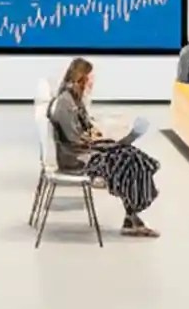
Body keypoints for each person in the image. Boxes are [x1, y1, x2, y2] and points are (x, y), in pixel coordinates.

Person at [48, 58, 160, 238]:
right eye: (90, 77)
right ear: (81, 78)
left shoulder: (73, 99)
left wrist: (103, 140)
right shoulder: (65, 103)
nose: (93, 81)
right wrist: (102, 144)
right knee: (131, 159)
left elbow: (81, 131)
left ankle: (132, 215)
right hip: (77, 160)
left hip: (82, 152)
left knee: (131, 156)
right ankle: (133, 214)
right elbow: (75, 140)